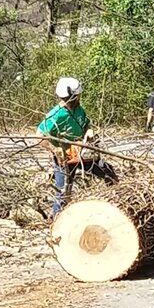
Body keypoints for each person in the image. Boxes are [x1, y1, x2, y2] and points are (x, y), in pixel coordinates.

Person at [37, 77, 116, 218]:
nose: (78, 98)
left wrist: (89, 132)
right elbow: (40, 135)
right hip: (65, 157)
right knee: (63, 191)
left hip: (83, 153)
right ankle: (57, 219)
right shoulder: (55, 115)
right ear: (69, 97)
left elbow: (86, 124)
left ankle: (116, 204)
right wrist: (55, 150)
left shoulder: (79, 110)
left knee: (108, 172)